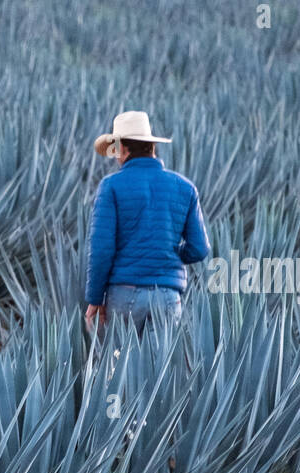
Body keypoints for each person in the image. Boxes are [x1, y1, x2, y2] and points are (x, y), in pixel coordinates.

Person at [84, 111, 208, 336]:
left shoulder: (111, 186)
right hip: (168, 296)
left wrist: (95, 299)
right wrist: (171, 252)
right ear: (152, 147)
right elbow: (199, 249)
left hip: (124, 292)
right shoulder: (185, 187)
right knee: (161, 369)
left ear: (122, 148)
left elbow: (102, 250)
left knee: (120, 366)